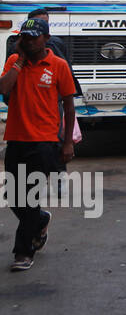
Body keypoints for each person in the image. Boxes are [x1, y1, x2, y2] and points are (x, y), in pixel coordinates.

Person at [0, 18, 76, 271]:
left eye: (34, 37)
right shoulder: (14, 62)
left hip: (44, 141)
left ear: (46, 38)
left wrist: (67, 143)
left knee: (29, 197)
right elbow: (3, 88)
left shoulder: (58, 65)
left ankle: (23, 251)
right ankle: (41, 220)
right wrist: (19, 61)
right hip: (16, 139)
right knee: (14, 197)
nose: (30, 41)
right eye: (26, 37)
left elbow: (68, 104)